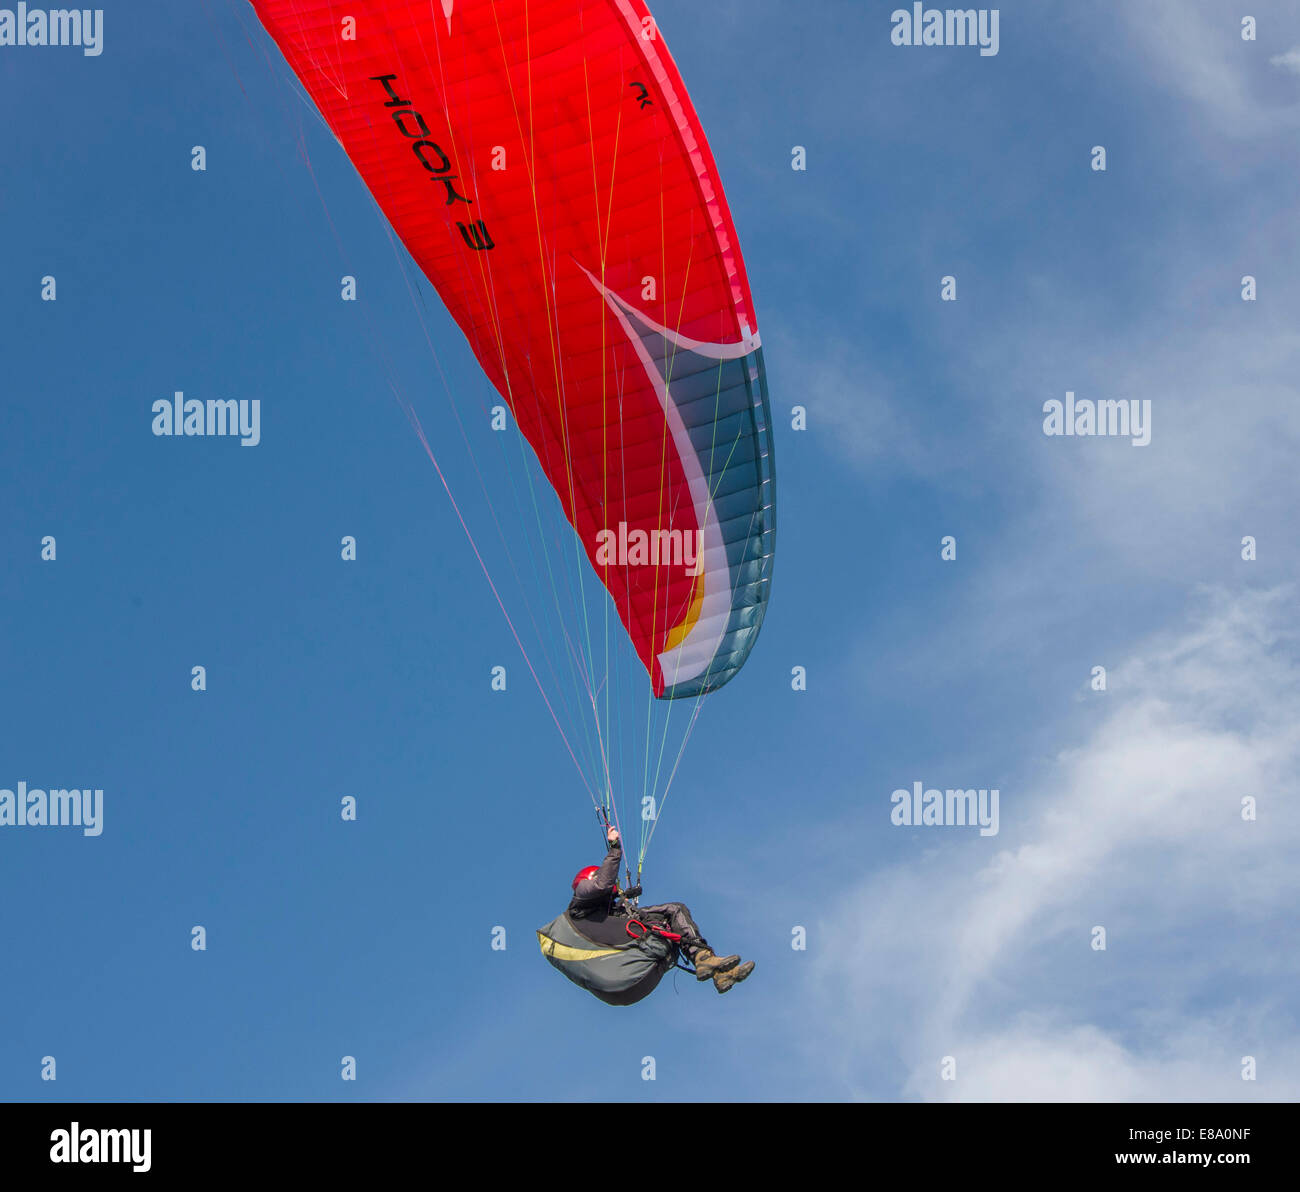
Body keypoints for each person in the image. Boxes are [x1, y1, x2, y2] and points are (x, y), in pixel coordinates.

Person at [566, 827, 754, 994]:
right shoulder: (581, 901)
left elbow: (607, 891)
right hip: (621, 953)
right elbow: (601, 885)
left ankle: (717, 971)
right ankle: (705, 960)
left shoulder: (605, 911)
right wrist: (615, 847)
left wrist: (625, 894)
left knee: (673, 913)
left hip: (625, 959)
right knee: (673, 910)